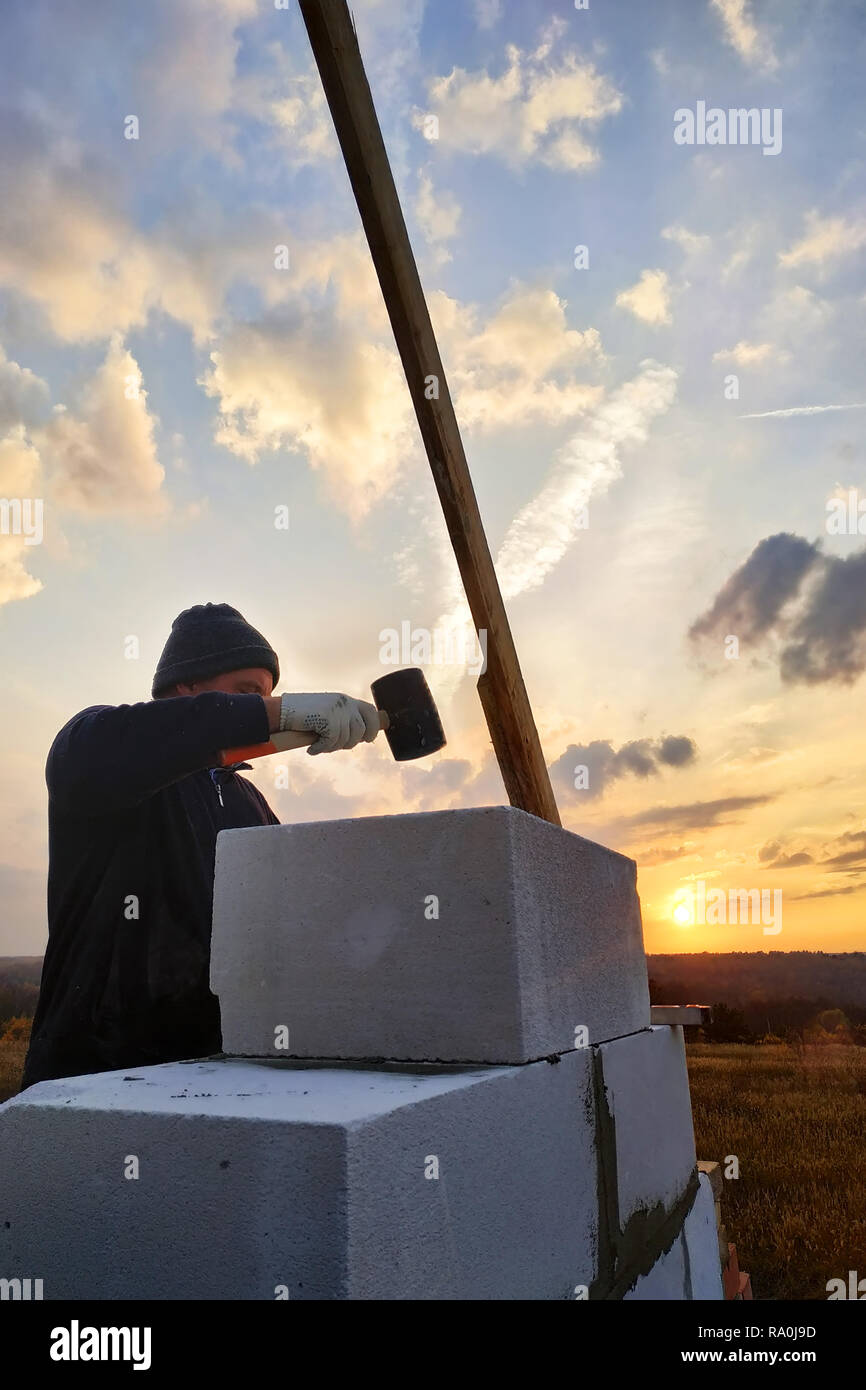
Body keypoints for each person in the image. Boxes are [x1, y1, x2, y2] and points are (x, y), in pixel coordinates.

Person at [20, 602, 379, 1088]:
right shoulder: (95, 746)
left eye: (270, 696)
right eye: (248, 694)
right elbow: (151, 738)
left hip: (210, 1071)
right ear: (187, 686)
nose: (264, 709)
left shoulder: (248, 801)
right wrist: (284, 712)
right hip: (91, 1070)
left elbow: (288, 916)